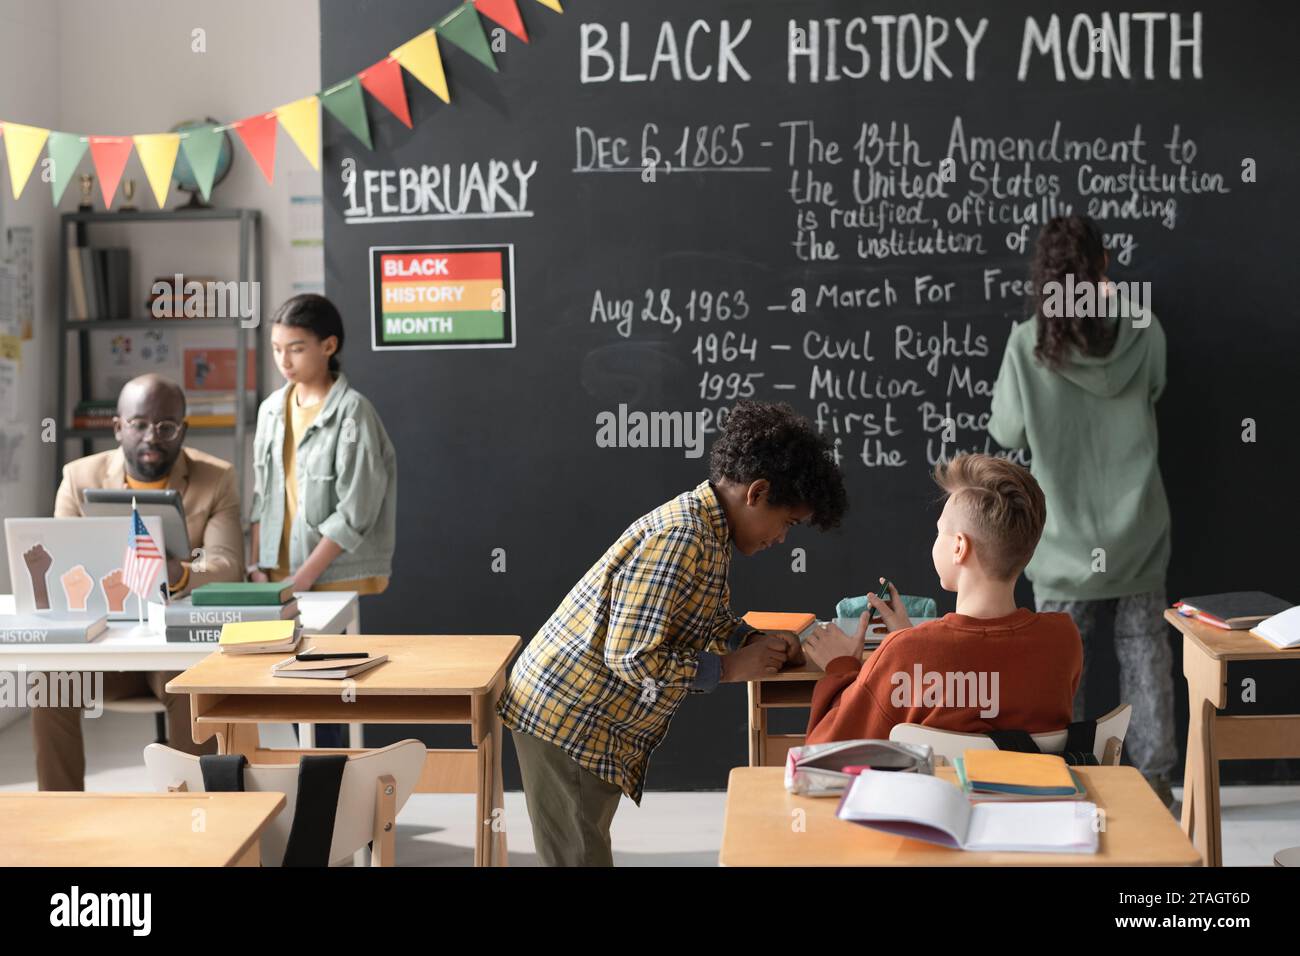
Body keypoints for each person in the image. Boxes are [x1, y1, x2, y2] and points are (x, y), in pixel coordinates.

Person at [498, 400, 848, 866]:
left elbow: (703, 618)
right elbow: (630, 657)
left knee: (585, 847)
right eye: (787, 523)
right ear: (757, 493)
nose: (782, 539)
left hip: (585, 719)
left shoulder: (710, 532)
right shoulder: (684, 536)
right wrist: (727, 667)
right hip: (568, 720)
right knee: (578, 857)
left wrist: (748, 641)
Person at [986, 215, 1176, 805]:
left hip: (1062, 538)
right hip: (1138, 528)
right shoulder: (1143, 328)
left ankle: (1066, 782)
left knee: (1062, 662)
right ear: (1104, 266)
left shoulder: (1026, 343)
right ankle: (1155, 786)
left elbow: (1007, 428)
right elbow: (1156, 389)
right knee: (1144, 647)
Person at [34, 373, 242, 790]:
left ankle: (192, 821)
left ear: (182, 429)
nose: (153, 436)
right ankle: (57, 818)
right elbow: (63, 563)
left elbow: (227, 563)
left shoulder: (215, 477)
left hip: (172, 649)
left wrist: (179, 571)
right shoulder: (79, 477)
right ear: (117, 427)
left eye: (166, 426)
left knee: (188, 684)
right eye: (139, 424)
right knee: (49, 685)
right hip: (105, 645)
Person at [803, 454, 1081, 745]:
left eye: (940, 532)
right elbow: (993, 679)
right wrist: (910, 644)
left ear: (959, 546)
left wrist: (842, 667)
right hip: (1040, 790)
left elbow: (825, 749)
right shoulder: (1063, 640)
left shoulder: (904, 654)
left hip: (937, 792)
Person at [248, 294, 397, 747]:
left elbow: (355, 513)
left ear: (328, 346)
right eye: (276, 349)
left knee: (326, 692)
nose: (283, 360)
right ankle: (310, 799)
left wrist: (303, 579)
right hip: (279, 573)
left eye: (295, 348)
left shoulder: (355, 414)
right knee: (289, 691)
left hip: (327, 575)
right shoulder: (272, 409)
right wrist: (258, 567)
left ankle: (332, 804)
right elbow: (262, 495)